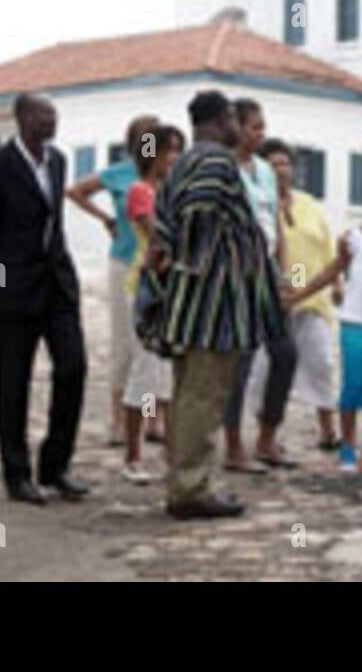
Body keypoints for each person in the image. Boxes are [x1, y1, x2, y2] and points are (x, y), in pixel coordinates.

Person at [148, 91, 286, 520]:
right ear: (218, 119)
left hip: (197, 302)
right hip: (212, 305)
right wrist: (203, 262)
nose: (236, 125)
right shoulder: (213, 161)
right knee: (202, 397)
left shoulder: (185, 162)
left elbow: (166, 225)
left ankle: (187, 482)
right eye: (232, 116)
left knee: (193, 393)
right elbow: (198, 213)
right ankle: (191, 489)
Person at [0, 93, 88, 505]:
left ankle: (55, 464)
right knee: (13, 384)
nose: (50, 121)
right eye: (42, 115)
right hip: (13, 290)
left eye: (54, 114)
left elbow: (52, 221)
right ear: (22, 119)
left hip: (56, 284)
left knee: (73, 366)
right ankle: (16, 473)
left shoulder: (57, 162)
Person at [286, 189, 362, 473]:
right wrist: (298, 294)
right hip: (354, 323)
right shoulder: (356, 241)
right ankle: (349, 444)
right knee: (353, 387)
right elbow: (331, 271)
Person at [67, 114, 160, 446]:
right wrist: (105, 219)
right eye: (143, 139)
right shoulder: (119, 174)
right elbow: (76, 191)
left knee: (154, 348)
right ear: (133, 143)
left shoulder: (166, 176)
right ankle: (119, 419)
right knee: (126, 344)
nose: (149, 144)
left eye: (154, 138)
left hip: (158, 270)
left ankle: (150, 416)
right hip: (124, 264)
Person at [222, 99, 298, 473]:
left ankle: (267, 436)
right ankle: (233, 444)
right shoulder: (223, 169)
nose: (260, 133)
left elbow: (276, 223)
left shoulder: (265, 171)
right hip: (239, 271)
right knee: (242, 359)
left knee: (285, 352)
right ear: (236, 127)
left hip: (267, 268)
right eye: (254, 126)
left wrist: (284, 275)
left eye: (263, 126)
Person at [258, 137, 341, 452]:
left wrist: (337, 282)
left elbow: (326, 244)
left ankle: (328, 428)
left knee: (321, 361)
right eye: (274, 165)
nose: (281, 170)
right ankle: (267, 432)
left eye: (285, 164)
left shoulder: (308, 204)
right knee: (267, 369)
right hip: (275, 299)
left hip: (313, 298)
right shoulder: (261, 206)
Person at [119, 124, 184, 485]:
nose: (172, 157)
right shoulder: (140, 191)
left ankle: (171, 452)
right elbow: (158, 233)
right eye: (167, 150)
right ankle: (133, 453)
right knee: (144, 371)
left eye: (177, 150)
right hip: (148, 288)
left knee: (165, 375)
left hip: (171, 286)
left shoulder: (173, 192)